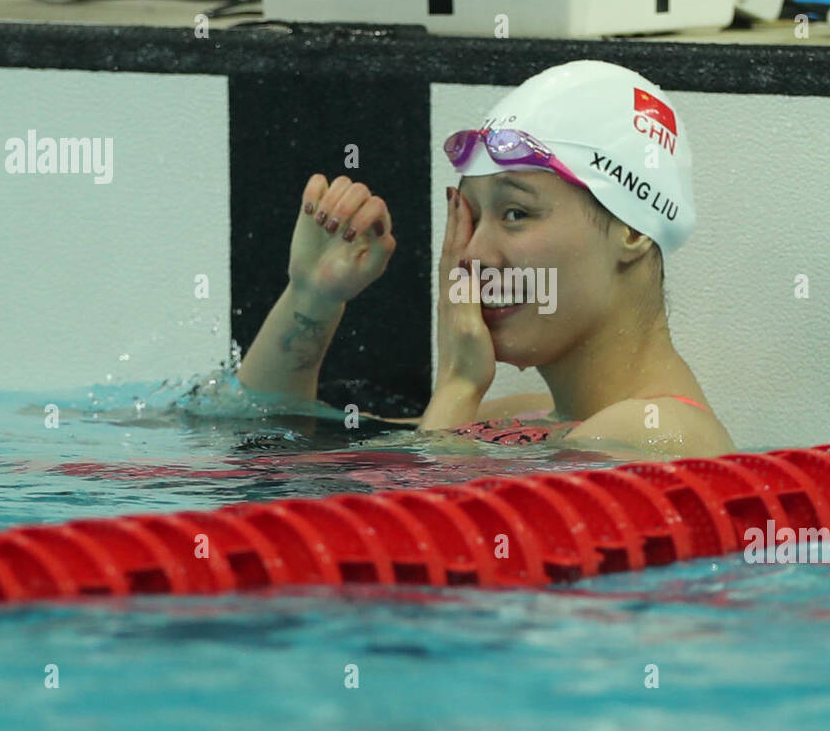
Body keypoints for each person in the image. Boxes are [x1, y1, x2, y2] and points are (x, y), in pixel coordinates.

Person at [237, 59, 735, 460]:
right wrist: (312, 296)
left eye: (516, 213)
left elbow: (423, 555)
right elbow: (270, 451)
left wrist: (457, 381)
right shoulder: (533, 418)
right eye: (470, 218)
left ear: (632, 230)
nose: (473, 253)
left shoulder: (656, 436)